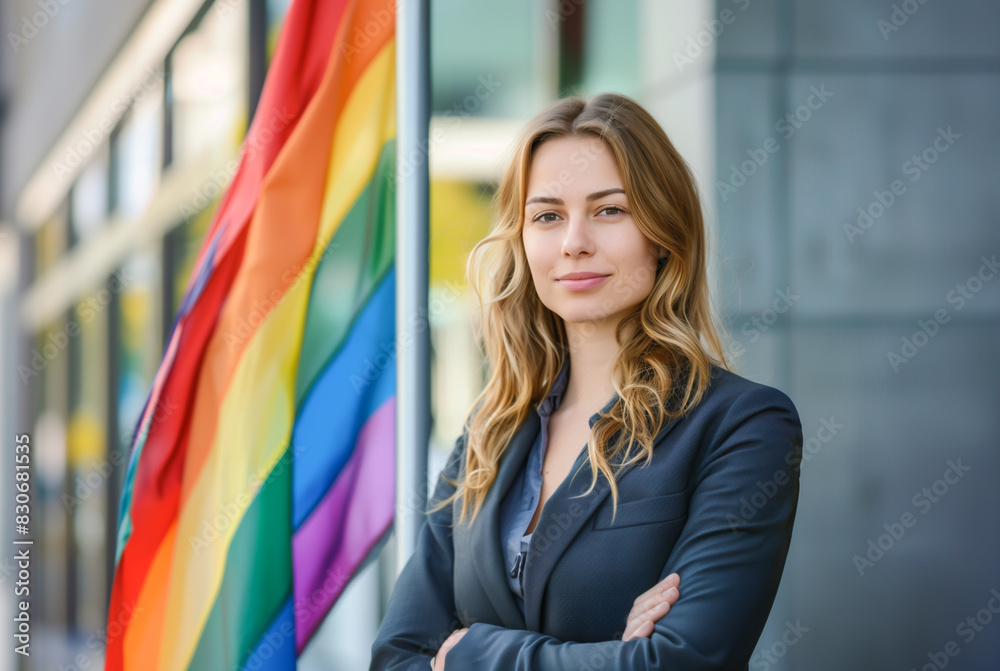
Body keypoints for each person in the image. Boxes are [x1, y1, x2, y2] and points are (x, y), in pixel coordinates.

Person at [370, 92, 803, 670]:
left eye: (609, 210)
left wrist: (472, 653)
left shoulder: (742, 426)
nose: (574, 241)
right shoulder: (490, 430)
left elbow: (682, 662)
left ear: (664, 234)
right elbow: (397, 656)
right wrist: (610, 656)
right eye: (547, 215)